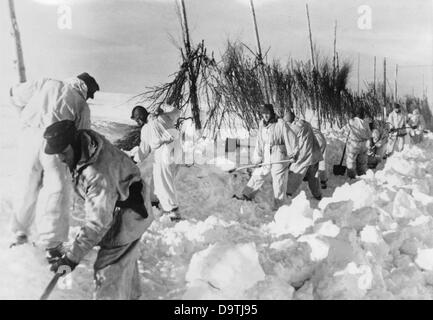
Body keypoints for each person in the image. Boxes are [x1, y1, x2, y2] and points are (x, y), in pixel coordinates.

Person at [43, 120, 154, 300]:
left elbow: (97, 223)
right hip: (126, 206)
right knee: (123, 263)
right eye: (57, 154)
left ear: (73, 144)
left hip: (128, 217)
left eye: (63, 153)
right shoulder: (87, 142)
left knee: (108, 270)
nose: (61, 159)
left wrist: (71, 258)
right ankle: (132, 296)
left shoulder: (97, 174)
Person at [8, 73, 99, 257]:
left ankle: (19, 232)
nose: (88, 97)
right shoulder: (81, 105)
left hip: (28, 138)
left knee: (27, 184)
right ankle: (52, 242)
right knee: (56, 188)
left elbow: (14, 94)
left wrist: (25, 116)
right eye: (90, 94)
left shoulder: (46, 83)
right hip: (56, 144)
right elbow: (82, 137)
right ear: (86, 89)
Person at [235, 104, 298, 209]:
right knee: (259, 174)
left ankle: (279, 207)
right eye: (264, 114)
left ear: (272, 113)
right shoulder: (261, 124)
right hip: (267, 154)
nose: (266, 116)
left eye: (268, 113)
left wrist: (293, 154)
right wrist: (257, 158)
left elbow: (291, 137)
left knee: (279, 182)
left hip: (279, 154)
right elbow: (259, 142)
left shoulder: (280, 123)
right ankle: (247, 194)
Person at [131, 104, 182, 221]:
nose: (137, 123)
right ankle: (155, 203)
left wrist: (134, 159)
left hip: (164, 153)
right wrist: (163, 106)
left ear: (140, 118)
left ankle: (174, 214)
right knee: (158, 179)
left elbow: (144, 150)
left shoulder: (146, 128)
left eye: (136, 120)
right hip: (177, 151)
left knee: (164, 184)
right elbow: (177, 111)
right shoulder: (163, 117)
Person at [284, 110, 323, 200]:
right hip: (315, 153)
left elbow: (291, 144)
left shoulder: (294, 128)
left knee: (295, 173)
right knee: (313, 176)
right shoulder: (305, 124)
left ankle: (287, 192)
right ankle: (317, 195)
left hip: (304, 155)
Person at [343, 108, 372, 179]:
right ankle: (361, 173)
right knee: (362, 160)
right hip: (363, 144)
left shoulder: (351, 121)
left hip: (354, 144)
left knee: (351, 160)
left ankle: (351, 175)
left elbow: (345, 131)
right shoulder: (365, 123)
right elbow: (369, 134)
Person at [310, 115, 328, 189]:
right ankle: (323, 181)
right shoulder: (316, 120)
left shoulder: (310, 120)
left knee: (313, 163)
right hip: (321, 139)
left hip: (315, 139)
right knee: (321, 162)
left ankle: (314, 181)